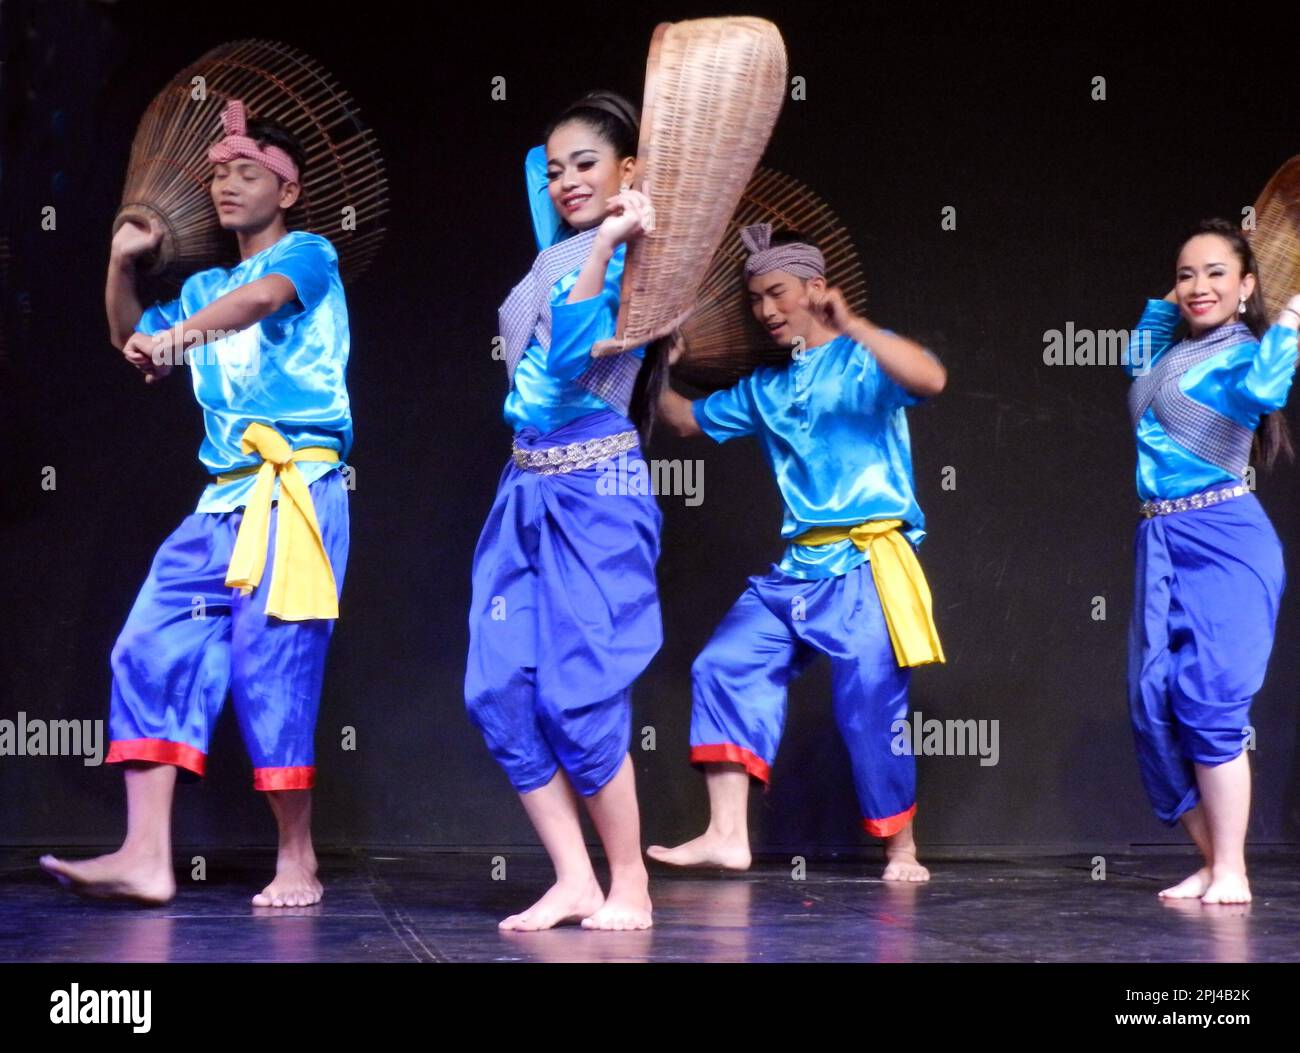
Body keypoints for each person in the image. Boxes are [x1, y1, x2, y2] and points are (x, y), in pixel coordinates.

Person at [40, 100, 352, 908]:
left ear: (286, 190)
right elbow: (131, 341)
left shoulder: (310, 254)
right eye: (217, 174)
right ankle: (147, 855)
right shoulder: (205, 285)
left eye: (246, 172)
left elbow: (257, 304)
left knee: (269, 668)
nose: (225, 185)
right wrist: (121, 266)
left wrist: (175, 339)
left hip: (297, 492)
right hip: (221, 503)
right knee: (146, 646)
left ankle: (298, 858)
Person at [650, 223, 946, 881]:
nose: (766, 311)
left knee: (870, 698)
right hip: (797, 570)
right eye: (756, 298)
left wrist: (857, 325)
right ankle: (727, 833)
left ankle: (903, 849)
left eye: (777, 292)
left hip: (867, 561)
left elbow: (930, 378)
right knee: (723, 663)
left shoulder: (868, 362)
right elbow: (683, 419)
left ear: (815, 288)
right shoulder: (768, 389)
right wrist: (653, 365)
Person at [464, 90, 664, 931]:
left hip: (598, 490)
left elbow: (581, 356)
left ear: (628, 171)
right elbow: (530, 359)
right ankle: (574, 876)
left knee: (580, 692)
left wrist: (615, 235)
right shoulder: (566, 253)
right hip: (525, 488)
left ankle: (632, 882)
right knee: (499, 685)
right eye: (554, 169)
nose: (565, 179)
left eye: (585, 163)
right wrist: (587, 239)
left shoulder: (643, 261)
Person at [1125, 217, 1298, 905]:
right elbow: (1133, 360)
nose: (1198, 286)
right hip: (1161, 542)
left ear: (1247, 284)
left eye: (1216, 273)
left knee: (1210, 702)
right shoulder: (1169, 353)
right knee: (1152, 704)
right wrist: (1172, 298)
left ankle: (1233, 869)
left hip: (1226, 539)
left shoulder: (1246, 352)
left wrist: (1289, 319)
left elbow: (1264, 396)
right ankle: (1213, 859)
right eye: (1187, 272)